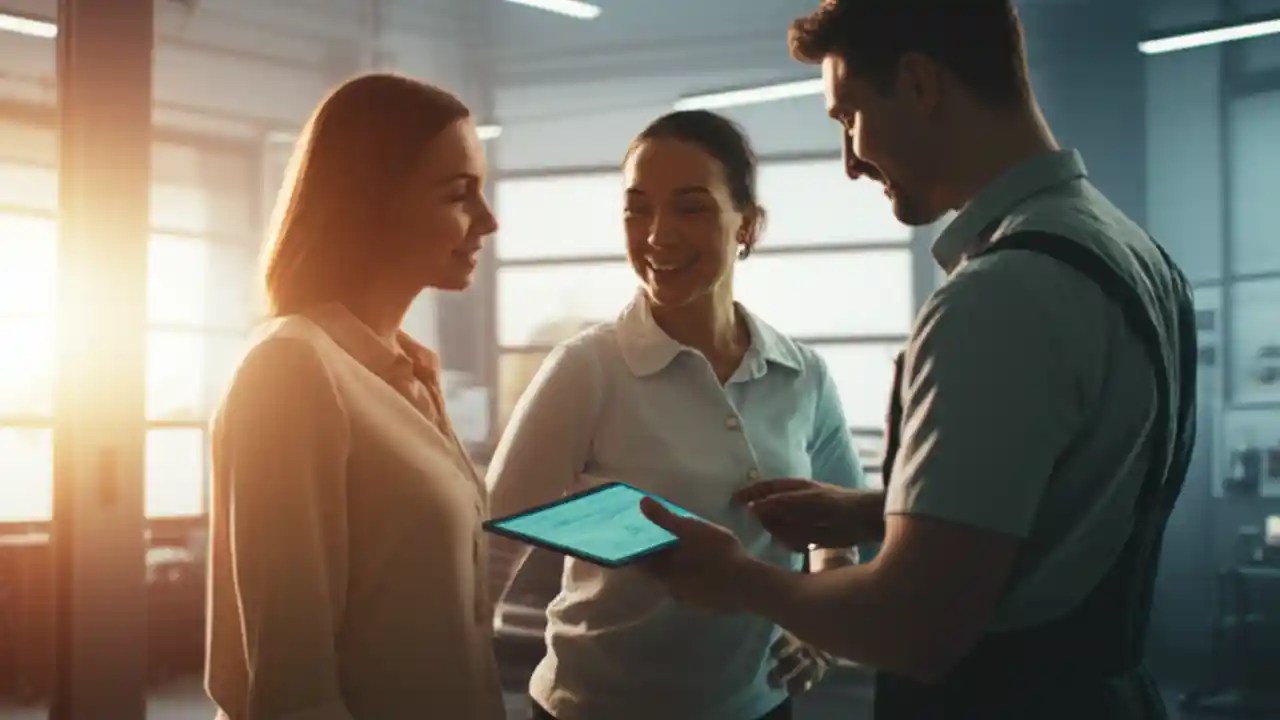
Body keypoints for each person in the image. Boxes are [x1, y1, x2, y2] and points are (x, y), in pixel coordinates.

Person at [638, 2, 1197, 719]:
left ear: (919, 83)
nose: (849, 163)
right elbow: (1072, 495)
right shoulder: (1134, 257)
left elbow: (911, 627)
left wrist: (738, 580)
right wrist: (882, 515)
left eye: (848, 118)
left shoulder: (998, 298)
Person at [485, 109, 870, 720]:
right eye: (638, 209)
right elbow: (495, 537)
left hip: (756, 706)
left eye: (690, 207)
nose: (657, 234)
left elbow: (838, 529)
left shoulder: (803, 375)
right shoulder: (587, 367)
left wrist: (815, 623)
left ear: (748, 225)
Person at [204, 73, 506, 720]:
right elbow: (290, 686)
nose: (488, 220)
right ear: (368, 200)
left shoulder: (406, 368)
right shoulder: (291, 369)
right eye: (460, 194)